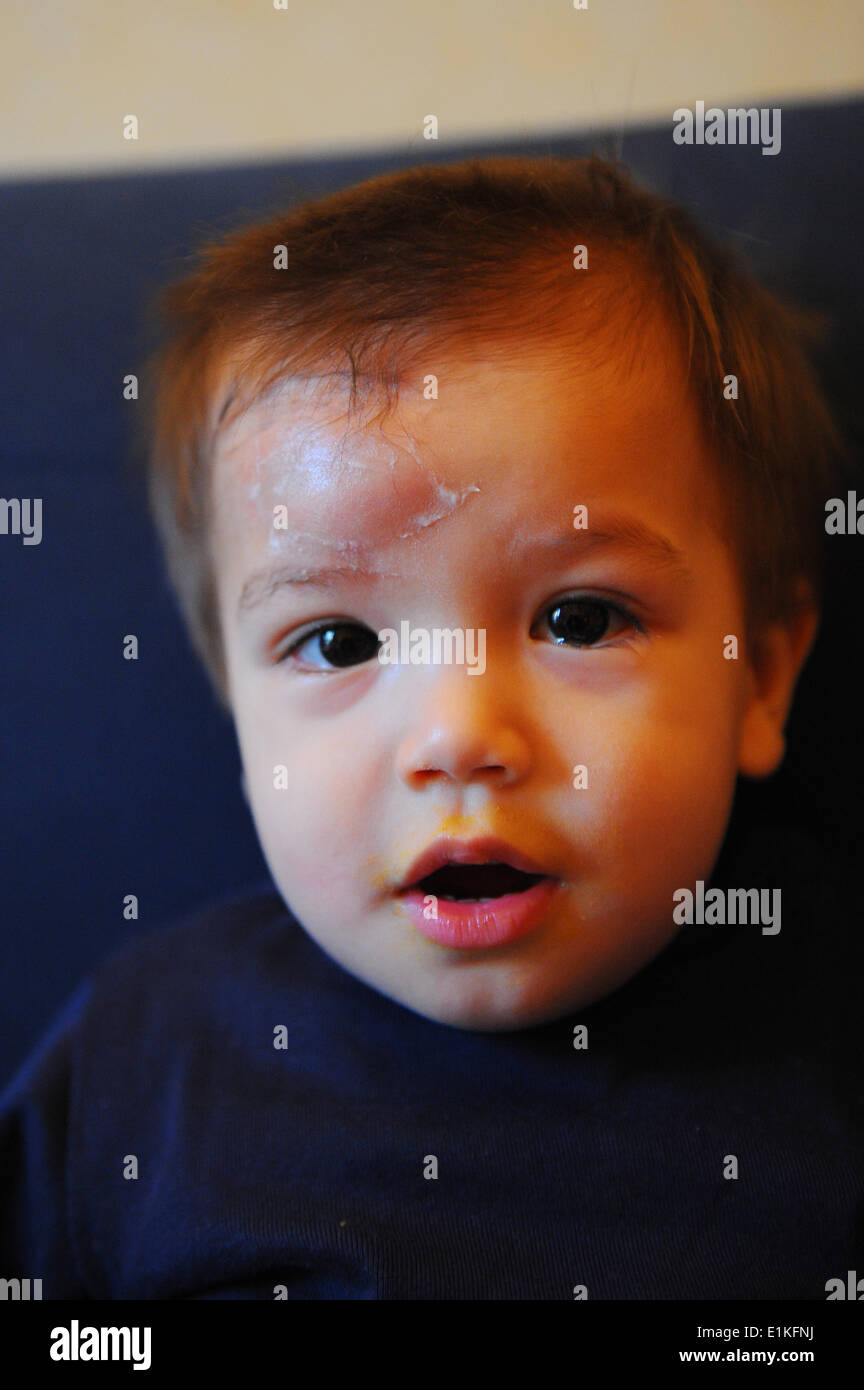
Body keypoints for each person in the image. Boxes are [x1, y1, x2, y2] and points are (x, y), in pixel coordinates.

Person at [1, 154, 861, 1299]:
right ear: (234, 703)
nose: (457, 738)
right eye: (340, 643)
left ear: (759, 673)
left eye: (579, 616)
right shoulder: (143, 1054)